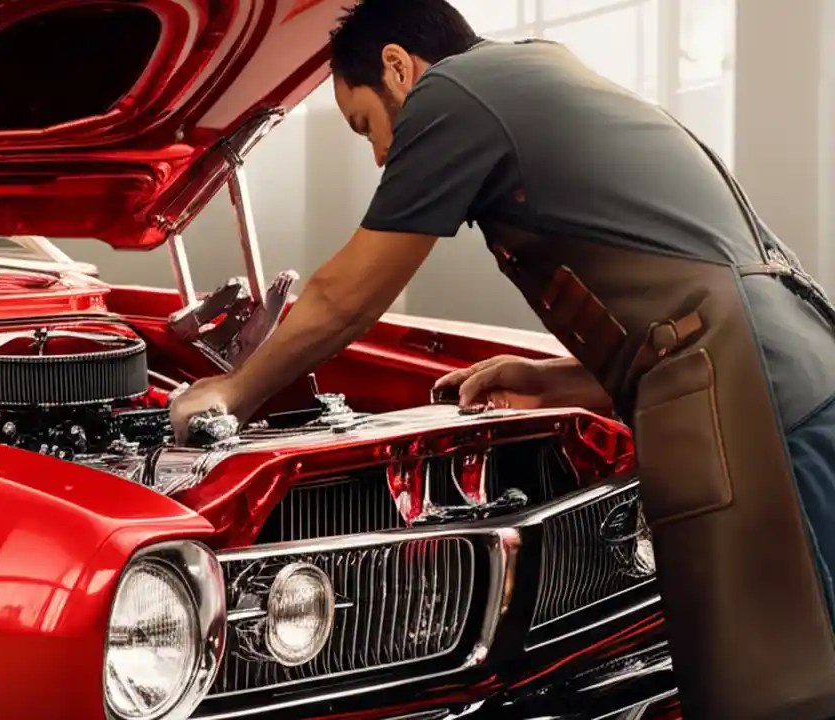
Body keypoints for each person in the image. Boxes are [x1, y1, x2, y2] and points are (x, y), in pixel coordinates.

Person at [167, 1, 835, 718]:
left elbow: (350, 295)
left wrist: (231, 394)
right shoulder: (532, 75)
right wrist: (556, 379)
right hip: (790, 372)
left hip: (758, 405)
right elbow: (668, 295)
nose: (379, 154)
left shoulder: (453, 95)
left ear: (399, 67)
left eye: (365, 125)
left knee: (778, 686)